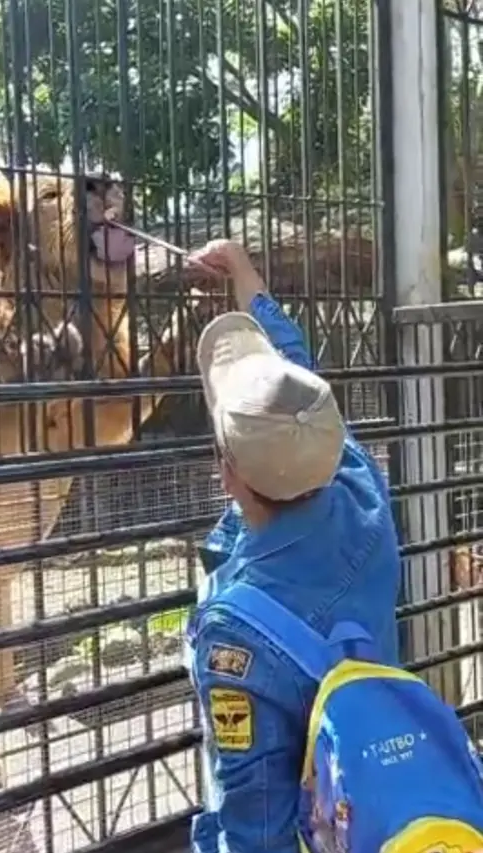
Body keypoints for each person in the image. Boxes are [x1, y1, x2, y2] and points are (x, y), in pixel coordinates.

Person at [184, 239, 401, 853]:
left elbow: (256, 824)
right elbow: (300, 391)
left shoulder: (237, 631)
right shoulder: (362, 495)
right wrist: (246, 277)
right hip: (373, 810)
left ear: (227, 472)